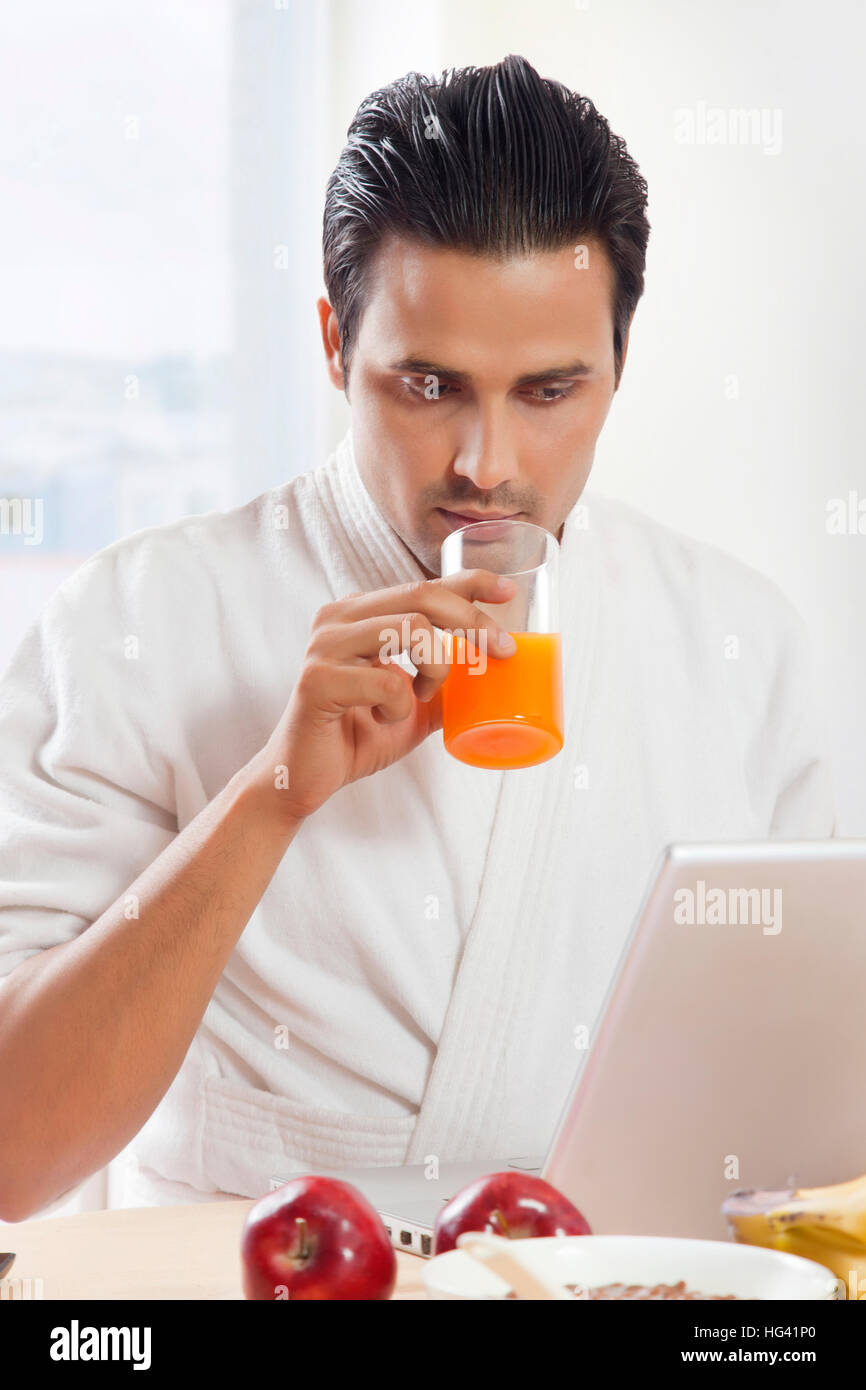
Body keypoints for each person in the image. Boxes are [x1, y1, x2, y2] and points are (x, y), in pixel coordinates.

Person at [0, 55, 835, 1222]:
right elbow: (13, 1149)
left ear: (619, 368)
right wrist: (271, 796)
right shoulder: (136, 622)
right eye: (427, 383)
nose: (486, 465)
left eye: (549, 391)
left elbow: (816, 1106)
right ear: (336, 344)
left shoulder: (737, 645)